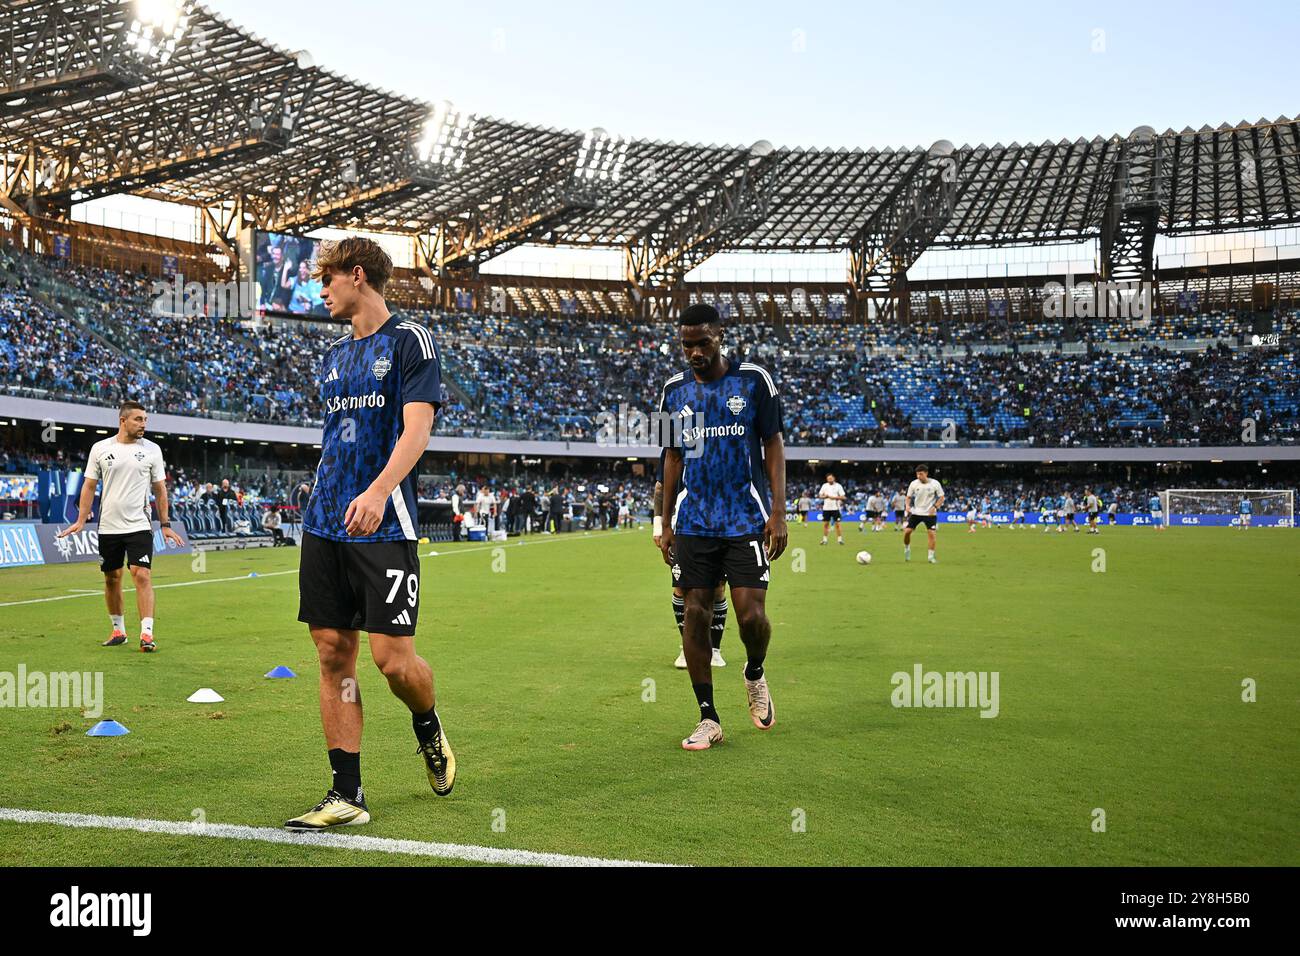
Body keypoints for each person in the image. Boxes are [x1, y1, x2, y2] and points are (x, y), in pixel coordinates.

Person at [286, 237, 452, 831]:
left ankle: (428, 725)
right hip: (326, 523)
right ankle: (346, 793)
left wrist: (379, 491)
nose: (320, 290)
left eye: (326, 279)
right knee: (334, 654)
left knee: (392, 662)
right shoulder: (331, 358)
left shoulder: (410, 342)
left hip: (385, 523)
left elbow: (417, 430)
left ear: (358, 276)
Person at [657, 303, 787, 751]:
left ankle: (754, 672)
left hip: (744, 515)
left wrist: (778, 511)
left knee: (751, 615)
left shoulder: (753, 382)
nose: (694, 352)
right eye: (686, 344)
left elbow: (773, 445)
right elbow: (671, 459)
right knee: (694, 611)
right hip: (694, 519)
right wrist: (665, 521)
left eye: (702, 343)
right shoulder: (672, 391)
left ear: (720, 336)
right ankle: (708, 717)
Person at [58, 401, 184, 651]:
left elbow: (160, 489)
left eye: (145, 420)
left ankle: (147, 634)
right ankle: (118, 630)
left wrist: (166, 524)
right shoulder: (100, 449)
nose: (143, 424)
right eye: (138, 419)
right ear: (123, 421)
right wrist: (81, 519)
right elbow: (89, 486)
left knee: (142, 574)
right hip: (108, 526)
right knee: (112, 578)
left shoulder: (152, 450)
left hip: (139, 524)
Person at [655, 480, 727, 670]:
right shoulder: (674, 450)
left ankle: (715, 650)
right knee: (681, 587)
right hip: (684, 526)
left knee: (718, 588)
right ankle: (688, 648)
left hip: (721, 522)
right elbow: (660, 485)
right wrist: (658, 526)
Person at [903, 464, 944, 564]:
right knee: (907, 532)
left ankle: (931, 557)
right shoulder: (913, 484)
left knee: (932, 535)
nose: (918, 476)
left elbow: (941, 497)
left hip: (930, 514)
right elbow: (908, 497)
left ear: (926, 473)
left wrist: (935, 507)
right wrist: (907, 506)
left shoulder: (935, 484)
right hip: (916, 512)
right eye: (917, 474)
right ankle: (907, 548)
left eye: (920, 474)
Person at [818, 472, 846, 545]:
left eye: (830, 478)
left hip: (835, 508)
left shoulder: (838, 486)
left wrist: (834, 497)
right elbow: (820, 495)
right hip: (826, 508)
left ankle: (839, 540)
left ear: (834, 478)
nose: (829, 480)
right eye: (828, 479)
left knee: (837, 524)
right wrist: (825, 496)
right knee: (826, 524)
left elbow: (843, 497)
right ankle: (824, 540)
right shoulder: (824, 486)